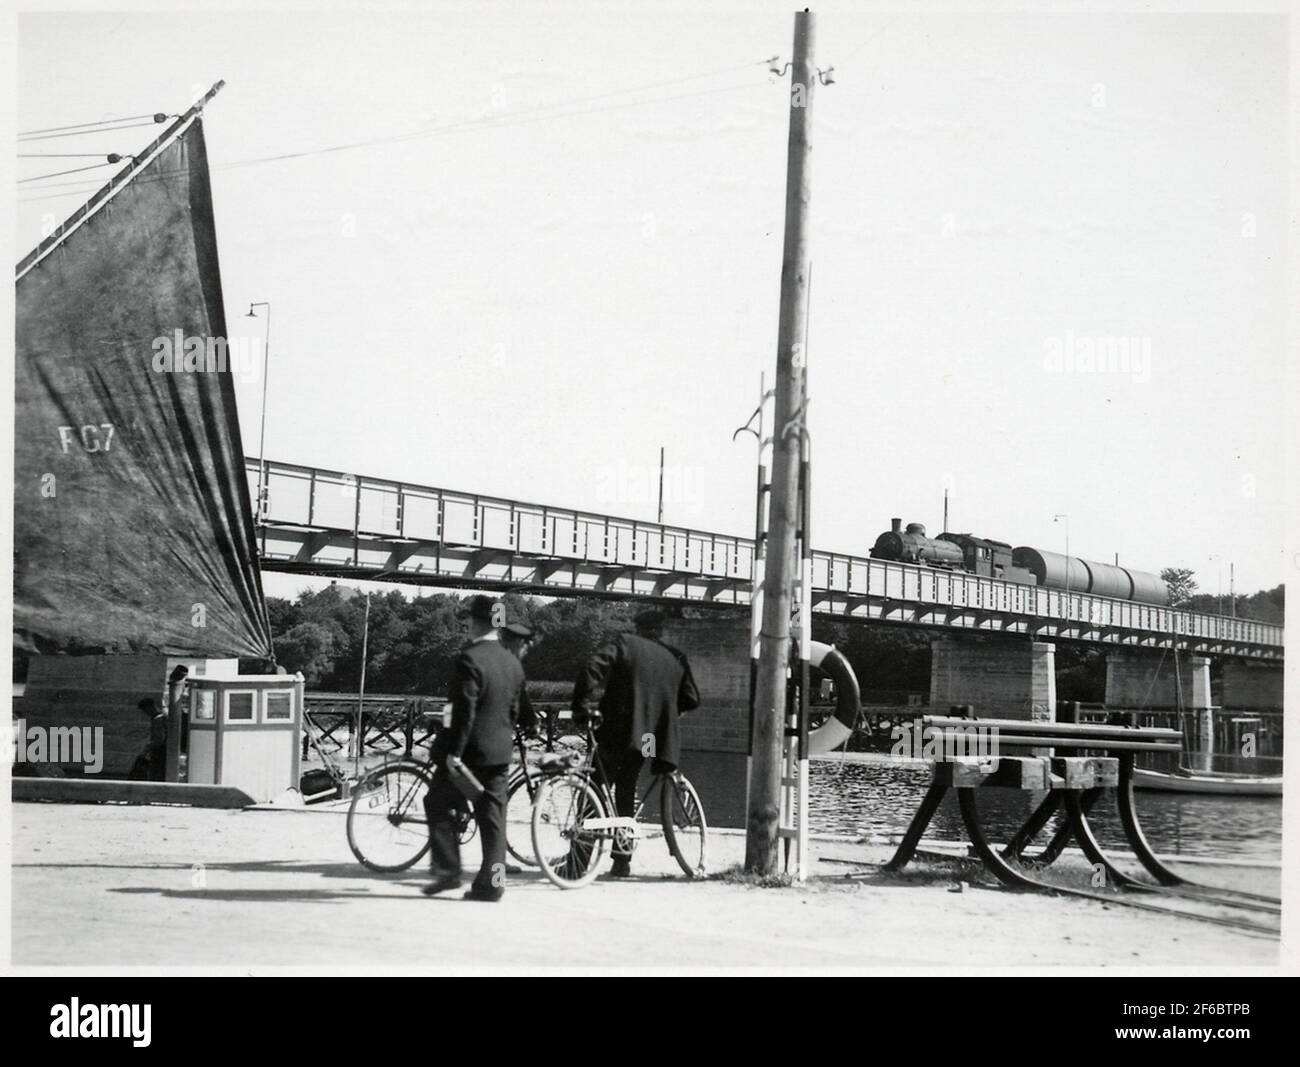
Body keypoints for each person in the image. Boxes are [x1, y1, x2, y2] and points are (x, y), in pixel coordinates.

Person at [571, 609, 700, 877]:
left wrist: (581, 707)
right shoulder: (675, 657)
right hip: (651, 739)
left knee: (594, 786)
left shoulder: (624, 644)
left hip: (617, 731)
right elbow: (691, 699)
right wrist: (665, 711)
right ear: (661, 630)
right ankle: (622, 859)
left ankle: (580, 859)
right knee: (628, 785)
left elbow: (590, 668)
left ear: (637, 627)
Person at [422, 595, 528, 902]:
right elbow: (518, 710)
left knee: (437, 801)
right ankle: (492, 884)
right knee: (493, 819)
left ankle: (448, 871)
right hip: (499, 754)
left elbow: (462, 712)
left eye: (467, 620)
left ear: (475, 621)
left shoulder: (469, 658)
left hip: (469, 755)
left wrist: (453, 752)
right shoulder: (512, 661)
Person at [130, 698, 168, 782]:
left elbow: (159, 739)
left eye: (145, 711)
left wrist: (147, 750)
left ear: (149, 708)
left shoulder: (158, 720)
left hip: (159, 754)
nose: (145, 714)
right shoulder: (163, 718)